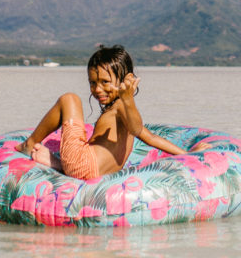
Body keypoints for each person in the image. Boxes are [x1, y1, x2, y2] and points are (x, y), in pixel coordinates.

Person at [19, 45, 186, 180]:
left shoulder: (122, 106)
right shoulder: (124, 111)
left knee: (69, 99)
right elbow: (151, 138)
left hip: (83, 165)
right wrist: (187, 154)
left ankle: (29, 144)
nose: (97, 89)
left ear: (126, 80)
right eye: (92, 83)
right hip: (96, 173)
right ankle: (61, 164)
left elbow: (136, 129)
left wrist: (128, 98)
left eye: (105, 82)